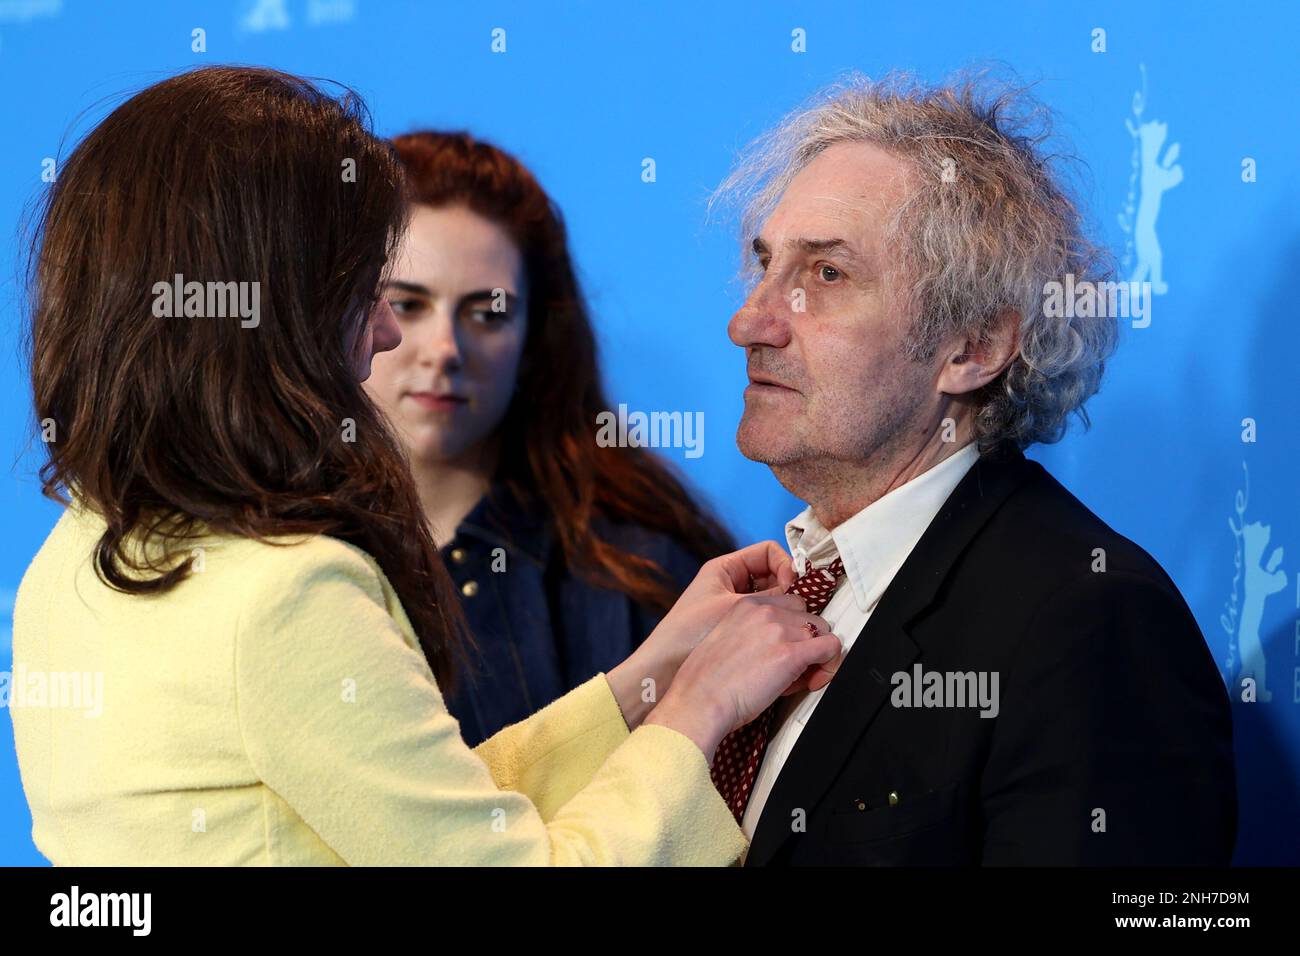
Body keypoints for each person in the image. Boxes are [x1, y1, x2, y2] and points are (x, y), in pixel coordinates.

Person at [10, 65, 840, 866]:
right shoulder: (284, 595)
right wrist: (699, 708)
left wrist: (649, 679)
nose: (394, 338)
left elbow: (429, 819)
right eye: (373, 293)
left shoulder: (79, 556)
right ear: (269, 310)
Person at [710, 71, 1237, 865]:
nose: (749, 320)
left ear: (974, 348)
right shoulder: (768, 595)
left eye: (826, 275)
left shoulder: (1091, 622)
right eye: (766, 266)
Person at [363, 131, 733, 747]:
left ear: (536, 337)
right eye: (407, 303)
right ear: (341, 312)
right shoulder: (268, 551)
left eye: (487, 313)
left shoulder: (640, 572)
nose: (445, 351)